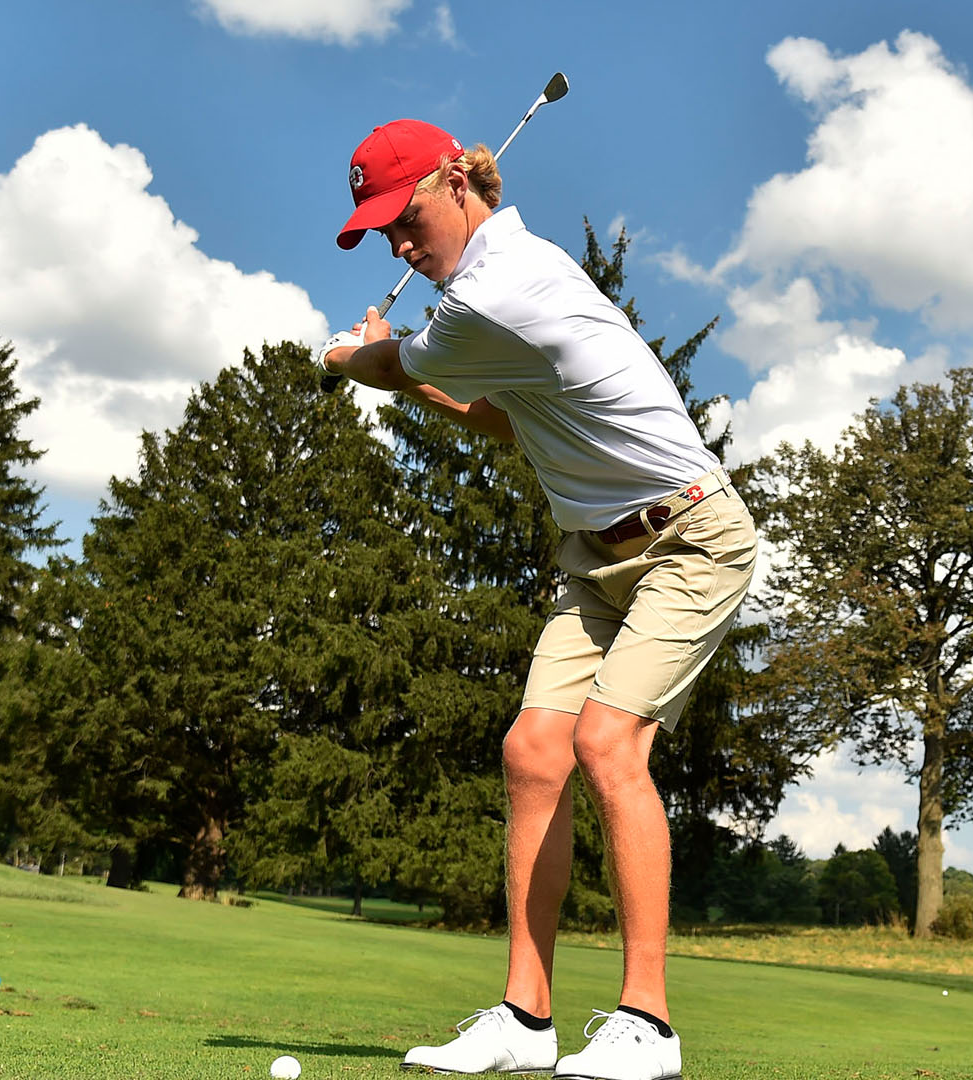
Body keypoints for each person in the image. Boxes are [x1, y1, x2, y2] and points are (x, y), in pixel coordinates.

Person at [323, 118, 757, 1080]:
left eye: (406, 217)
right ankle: (526, 1018)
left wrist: (357, 358)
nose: (400, 243)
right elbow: (501, 426)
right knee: (532, 750)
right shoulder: (489, 294)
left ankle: (649, 1024)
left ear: (456, 182)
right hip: (597, 559)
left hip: (691, 538)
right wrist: (392, 362)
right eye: (381, 232)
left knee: (606, 742)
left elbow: (403, 367)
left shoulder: (495, 291)